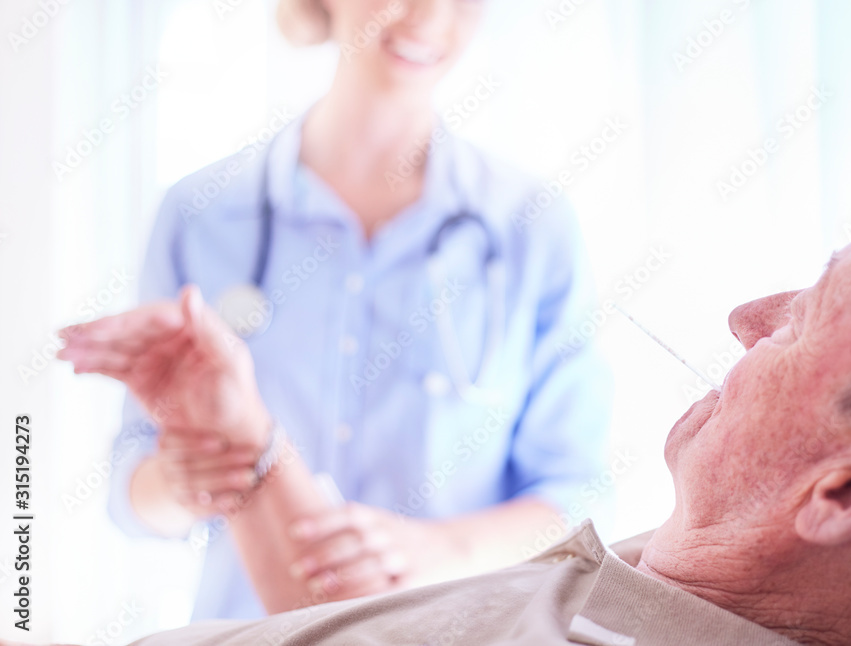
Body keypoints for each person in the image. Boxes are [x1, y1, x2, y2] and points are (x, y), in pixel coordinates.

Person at [59, 205, 851, 645]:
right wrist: (247, 442)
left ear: (850, 487)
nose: (747, 319)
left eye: (805, 313)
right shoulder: (665, 594)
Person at [85, 0, 612, 621]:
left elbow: (573, 494)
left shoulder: (531, 226)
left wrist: (438, 550)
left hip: (452, 630)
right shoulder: (200, 213)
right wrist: (177, 484)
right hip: (251, 628)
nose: (429, 16)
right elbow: (131, 487)